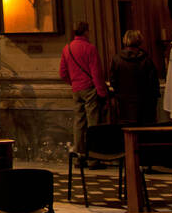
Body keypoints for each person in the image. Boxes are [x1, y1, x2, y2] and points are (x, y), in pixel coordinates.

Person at [59, 21, 108, 156]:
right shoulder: (89, 48)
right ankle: (94, 155)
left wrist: (73, 82)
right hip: (89, 88)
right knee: (93, 122)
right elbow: (96, 72)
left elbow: (63, 73)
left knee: (79, 121)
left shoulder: (67, 48)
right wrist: (102, 92)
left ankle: (79, 154)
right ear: (86, 32)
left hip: (76, 89)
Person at [107, 30, 159, 126]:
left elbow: (113, 81)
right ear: (139, 40)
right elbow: (153, 82)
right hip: (145, 103)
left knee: (128, 134)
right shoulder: (146, 60)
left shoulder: (117, 59)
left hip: (125, 104)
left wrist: (120, 93)